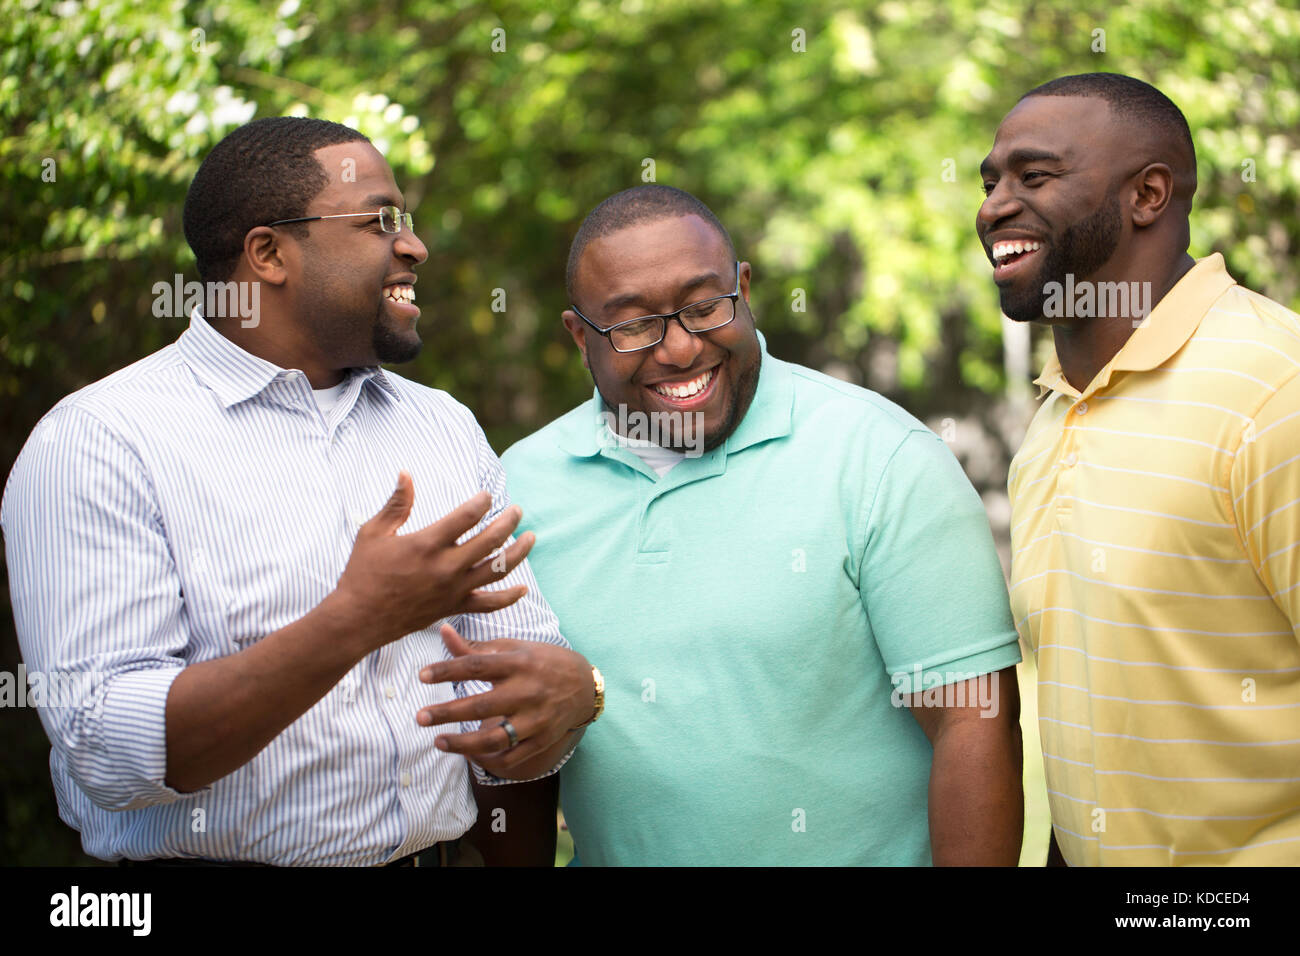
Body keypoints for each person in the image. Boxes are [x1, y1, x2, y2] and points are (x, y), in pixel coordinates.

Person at [1, 117, 600, 867]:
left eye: (406, 221)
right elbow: (108, 752)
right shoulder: (101, 440)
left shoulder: (442, 425)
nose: (413, 245)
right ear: (268, 253)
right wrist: (355, 620)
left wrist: (571, 698)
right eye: (382, 220)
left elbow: (518, 697)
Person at [498, 184, 1025, 865]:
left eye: (704, 306)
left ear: (744, 290)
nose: (681, 349)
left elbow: (973, 723)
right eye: (632, 324)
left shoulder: (879, 457)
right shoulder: (521, 485)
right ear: (579, 336)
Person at [978, 73, 1300, 865]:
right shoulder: (1054, 417)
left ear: (1148, 194)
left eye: (1035, 175)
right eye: (990, 181)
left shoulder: (1274, 390)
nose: (992, 206)